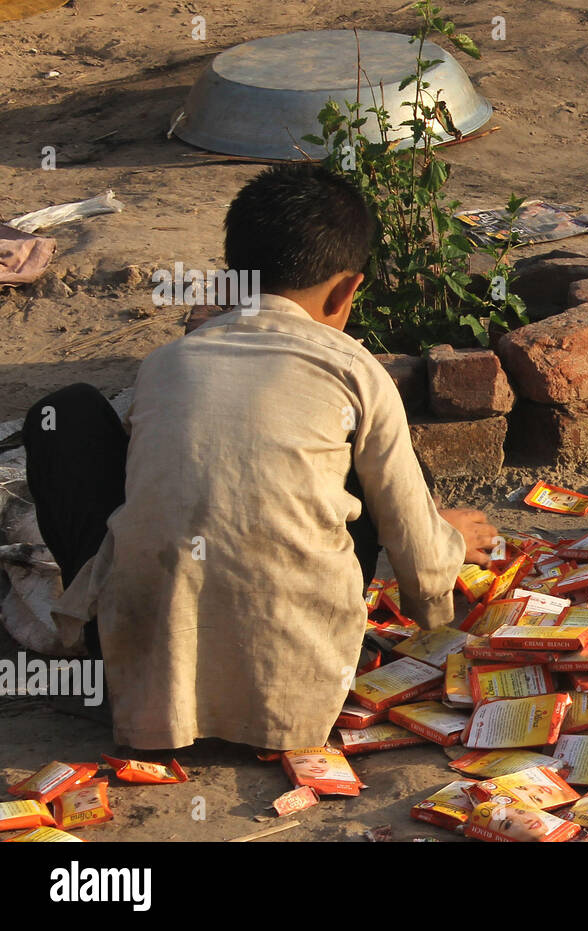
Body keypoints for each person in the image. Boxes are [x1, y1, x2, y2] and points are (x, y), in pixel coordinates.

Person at [25, 163, 497, 752]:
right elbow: (422, 561)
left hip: (145, 682)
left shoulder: (167, 363)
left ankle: (132, 652)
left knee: (66, 411)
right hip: (300, 692)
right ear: (348, 289)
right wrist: (440, 570)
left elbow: (165, 481)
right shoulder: (353, 367)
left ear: (233, 277)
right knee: (372, 460)